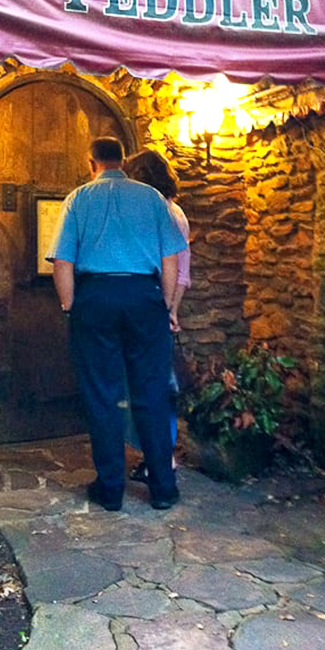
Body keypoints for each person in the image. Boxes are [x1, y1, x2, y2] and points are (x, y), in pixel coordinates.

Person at [48, 137, 187, 512]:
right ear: (122, 160)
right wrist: (166, 304)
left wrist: (70, 305)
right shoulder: (152, 199)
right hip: (145, 295)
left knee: (102, 394)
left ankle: (110, 489)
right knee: (152, 391)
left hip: (96, 297)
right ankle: (163, 488)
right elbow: (171, 259)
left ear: (91, 161)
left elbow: (62, 262)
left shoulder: (78, 199)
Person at [123, 150, 191, 481]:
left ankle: (162, 458)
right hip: (155, 306)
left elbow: (177, 270)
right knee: (154, 383)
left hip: (152, 307)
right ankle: (155, 455)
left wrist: (169, 310)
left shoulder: (162, 214)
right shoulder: (171, 211)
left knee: (157, 384)